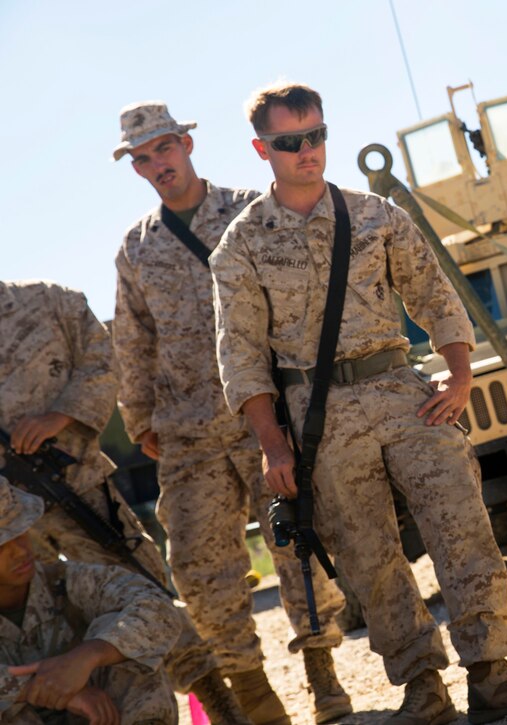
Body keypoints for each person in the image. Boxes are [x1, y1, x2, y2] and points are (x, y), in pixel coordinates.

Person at [210, 82, 507, 725]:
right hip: (318, 417)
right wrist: (273, 445)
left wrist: (459, 376)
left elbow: (435, 295)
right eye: (290, 142)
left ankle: (493, 674)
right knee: (369, 556)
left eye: (317, 135)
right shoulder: (241, 245)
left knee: (463, 524)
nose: (307, 150)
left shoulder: (374, 215)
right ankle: (421, 688)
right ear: (261, 149)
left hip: (402, 394)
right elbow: (239, 355)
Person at [111, 100, 350, 725]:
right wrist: (139, 420)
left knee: (299, 543)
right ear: (136, 169)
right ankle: (252, 694)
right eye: (144, 158)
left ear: (187, 145)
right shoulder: (136, 248)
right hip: (188, 432)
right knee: (199, 567)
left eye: (165, 148)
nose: (158, 163)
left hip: (267, 416)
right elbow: (133, 339)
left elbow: (302, 298)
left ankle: (323, 675)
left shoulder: (253, 210)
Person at [0, 278, 252, 722]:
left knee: (142, 597)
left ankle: (226, 710)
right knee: (30, 634)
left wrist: (60, 416)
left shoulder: (51, 301)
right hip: (7, 519)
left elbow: (101, 359)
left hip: (78, 489)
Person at [0, 479, 180, 725]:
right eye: (2, 546)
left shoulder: (65, 580)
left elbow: (158, 607)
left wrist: (88, 656)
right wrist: (33, 687)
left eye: (21, 532)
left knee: (118, 631)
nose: (20, 551)